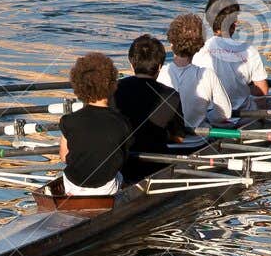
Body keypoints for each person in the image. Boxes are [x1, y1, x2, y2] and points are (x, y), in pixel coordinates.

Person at [112, 34, 186, 183]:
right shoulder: (172, 95)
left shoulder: (113, 90)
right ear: (159, 66)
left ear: (131, 63)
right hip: (156, 166)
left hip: (121, 166)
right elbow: (179, 138)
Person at [57, 53, 131, 196]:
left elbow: (63, 156)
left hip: (72, 185)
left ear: (79, 87)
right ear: (113, 85)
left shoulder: (68, 120)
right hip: (106, 188)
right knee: (124, 175)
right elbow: (123, 157)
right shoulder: (122, 122)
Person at [194, 0, 268, 111]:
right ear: (234, 24)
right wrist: (244, 86)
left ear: (209, 21)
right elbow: (262, 90)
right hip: (242, 117)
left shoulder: (197, 52)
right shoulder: (250, 51)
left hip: (208, 117)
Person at [158, 12, 233, 128]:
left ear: (171, 44)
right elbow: (225, 113)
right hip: (198, 139)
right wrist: (206, 117)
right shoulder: (207, 74)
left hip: (168, 143)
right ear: (199, 46)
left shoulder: (160, 73)